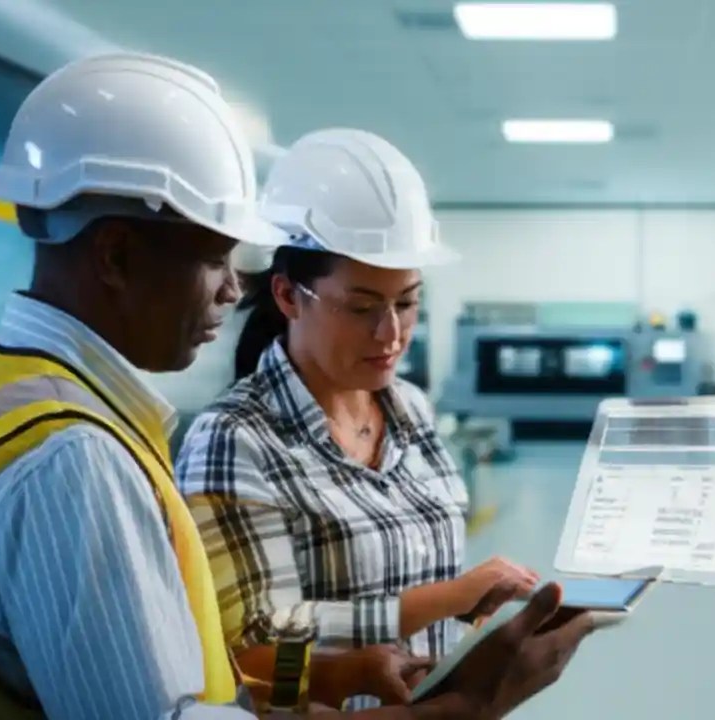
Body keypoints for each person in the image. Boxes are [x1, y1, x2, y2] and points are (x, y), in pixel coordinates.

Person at [0, 52, 593, 720]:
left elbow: (197, 676)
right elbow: (196, 690)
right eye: (214, 258)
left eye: (406, 303)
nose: (232, 289)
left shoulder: (15, 393)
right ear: (115, 255)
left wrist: (338, 676)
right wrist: (469, 706)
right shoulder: (76, 457)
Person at [174, 129, 540, 709]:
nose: (391, 334)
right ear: (289, 296)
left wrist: (480, 635)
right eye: (363, 307)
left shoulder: (411, 408)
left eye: (407, 302)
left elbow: (435, 588)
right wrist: (445, 598)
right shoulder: (235, 438)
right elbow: (250, 646)